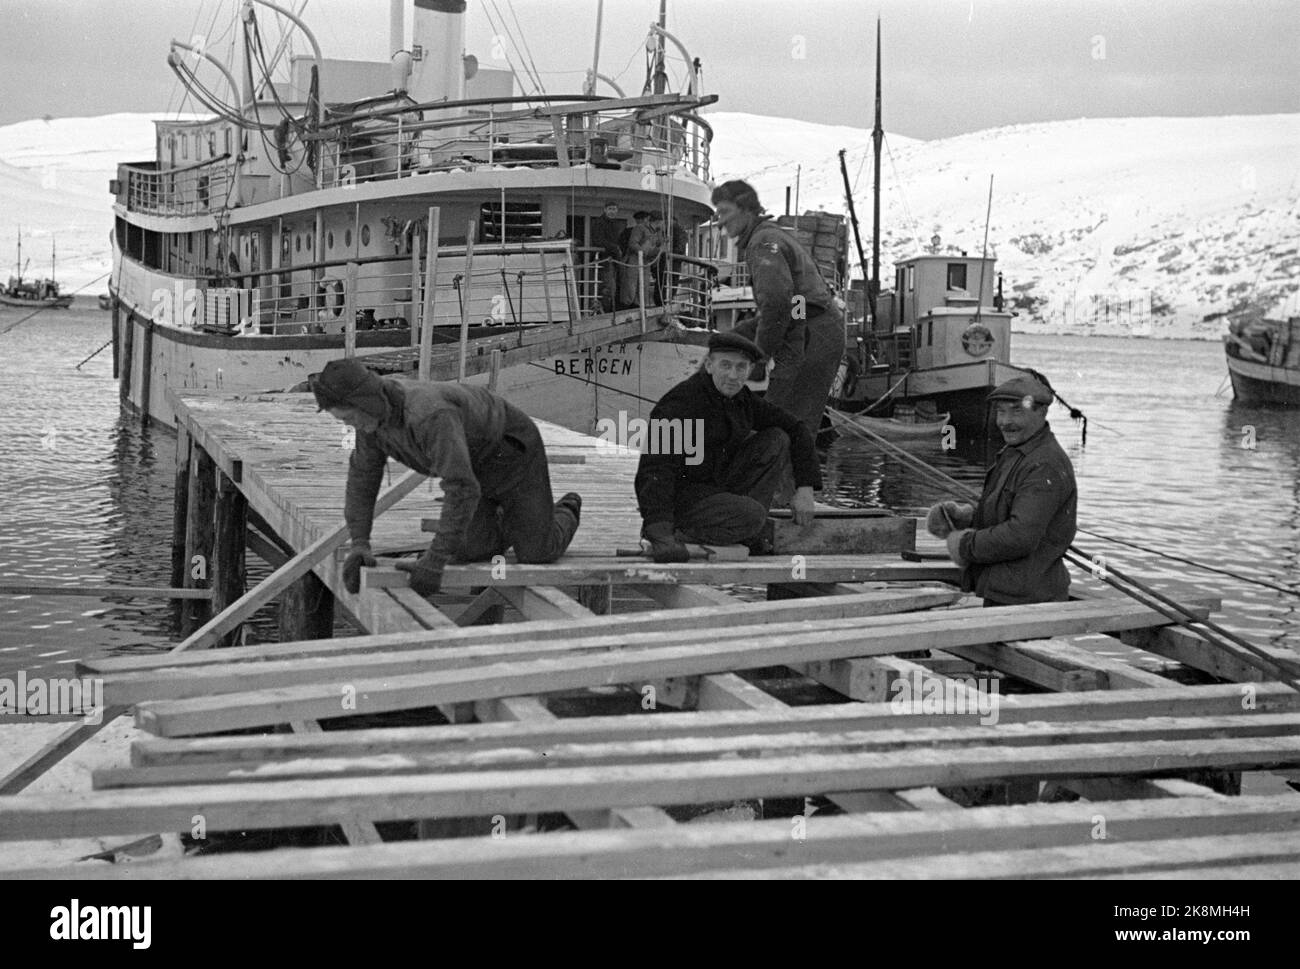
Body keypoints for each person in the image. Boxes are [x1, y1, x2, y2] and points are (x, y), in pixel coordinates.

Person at [310, 358, 583, 596]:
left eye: (348, 417)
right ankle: (509, 518)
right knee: (470, 551)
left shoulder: (428, 414)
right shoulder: (371, 422)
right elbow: (362, 479)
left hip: (511, 453)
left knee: (536, 554)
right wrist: (360, 543)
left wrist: (433, 562)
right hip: (471, 464)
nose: (348, 425)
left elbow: (461, 488)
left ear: (365, 402)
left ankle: (566, 508)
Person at [635, 331, 820, 563]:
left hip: (717, 490)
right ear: (710, 365)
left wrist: (805, 487)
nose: (733, 375)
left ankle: (748, 530)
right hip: (683, 501)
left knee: (777, 438)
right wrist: (658, 529)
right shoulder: (679, 404)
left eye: (741, 367)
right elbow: (654, 470)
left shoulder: (742, 399)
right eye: (726, 365)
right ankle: (682, 533)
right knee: (751, 516)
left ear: (750, 371)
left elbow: (796, 428)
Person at [711, 179, 846, 444]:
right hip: (811, 323)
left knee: (783, 424)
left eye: (725, 212)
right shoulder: (769, 235)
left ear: (745, 210)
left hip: (813, 331)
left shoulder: (763, 243)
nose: (720, 221)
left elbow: (777, 304)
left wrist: (760, 357)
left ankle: (784, 482)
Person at [926, 374, 1078, 605]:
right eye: (1000, 411)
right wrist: (966, 518)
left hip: (1028, 601)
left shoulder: (1044, 464)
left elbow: (1020, 536)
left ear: (1042, 412)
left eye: (1017, 411)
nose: (1005, 421)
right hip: (1004, 592)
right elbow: (1009, 512)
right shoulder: (1015, 452)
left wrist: (965, 545)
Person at [589, 201, 626, 313]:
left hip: (613, 260)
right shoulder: (598, 222)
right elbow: (598, 240)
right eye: (610, 209)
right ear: (605, 210)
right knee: (607, 288)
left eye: (614, 209)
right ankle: (604, 312)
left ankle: (607, 311)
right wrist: (615, 248)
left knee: (611, 287)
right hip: (603, 259)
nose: (612, 211)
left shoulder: (615, 224)